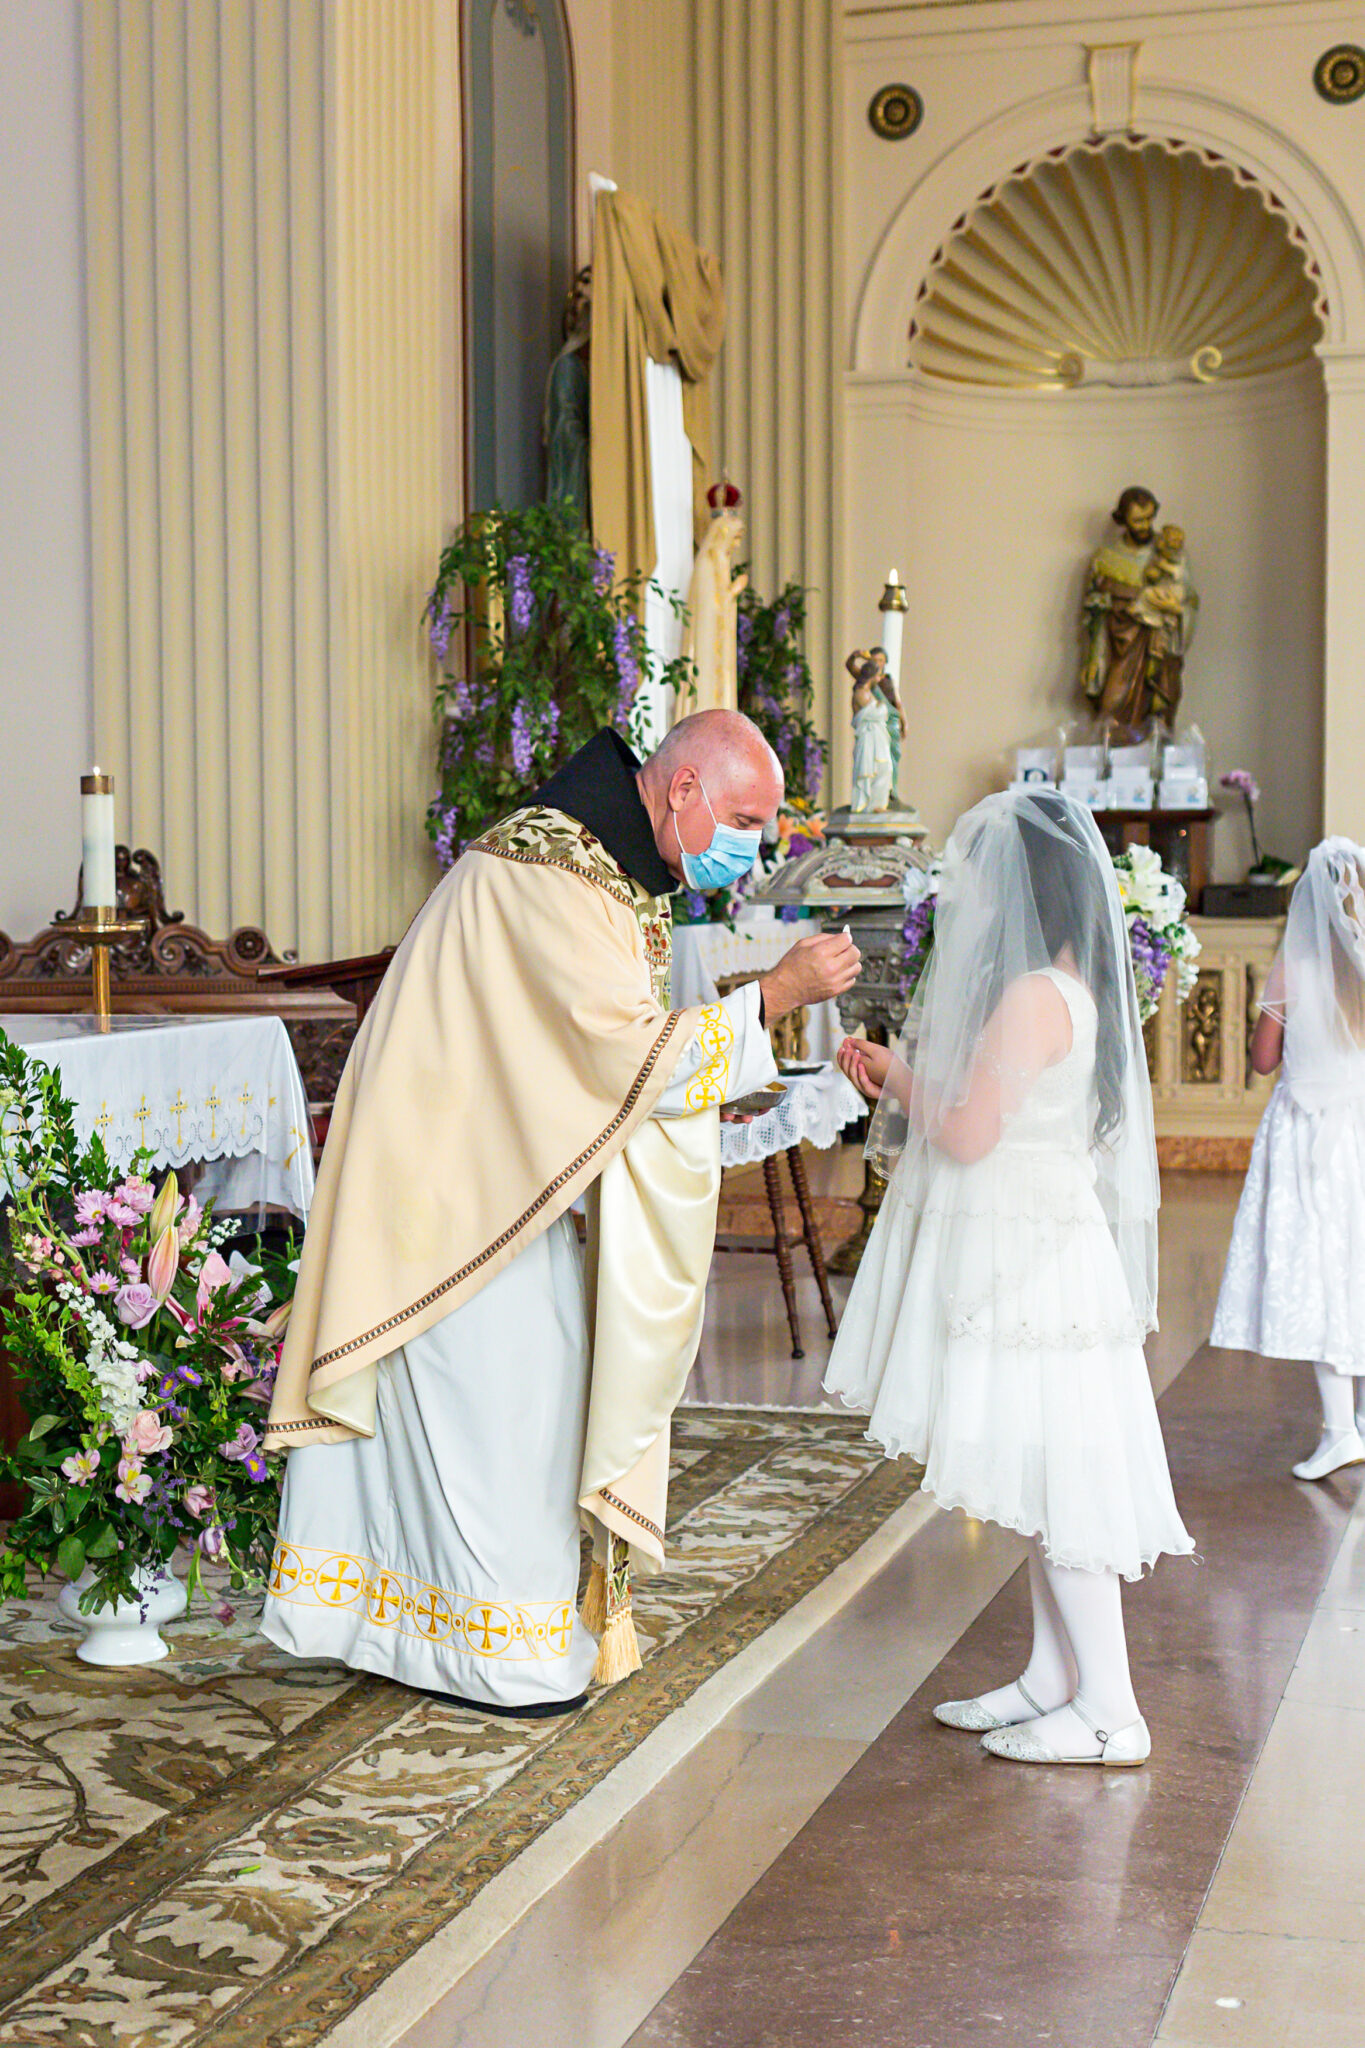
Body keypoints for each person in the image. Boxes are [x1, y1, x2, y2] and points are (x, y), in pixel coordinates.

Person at [261, 711, 859, 1714]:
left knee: (491, 1407)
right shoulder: (553, 877)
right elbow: (622, 1055)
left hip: (483, 1175)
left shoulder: (595, 865)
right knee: (511, 1411)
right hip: (454, 1196)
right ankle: (504, 1654)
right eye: (747, 816)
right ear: (681, 793)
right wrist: (771, 998)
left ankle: (407, 1627)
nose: (754, 844)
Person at [826, 788, 1192, 1767]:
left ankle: (1112, 1709)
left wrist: (901, 1078)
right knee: (1040, 1469)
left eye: (984, 876)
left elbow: (968, 1131)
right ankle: (1053, 1677)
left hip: (1033, 1268)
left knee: (1062, 1475)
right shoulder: (1064, 988)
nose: (970, 896)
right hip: (1034, 1247)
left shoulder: (1036, 994)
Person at [1210, 838, 1365, 1480]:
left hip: (1309, 1135)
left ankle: (1338, 1429)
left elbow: (1264, 1059)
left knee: (1322, 1269)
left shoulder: (1296, 968)